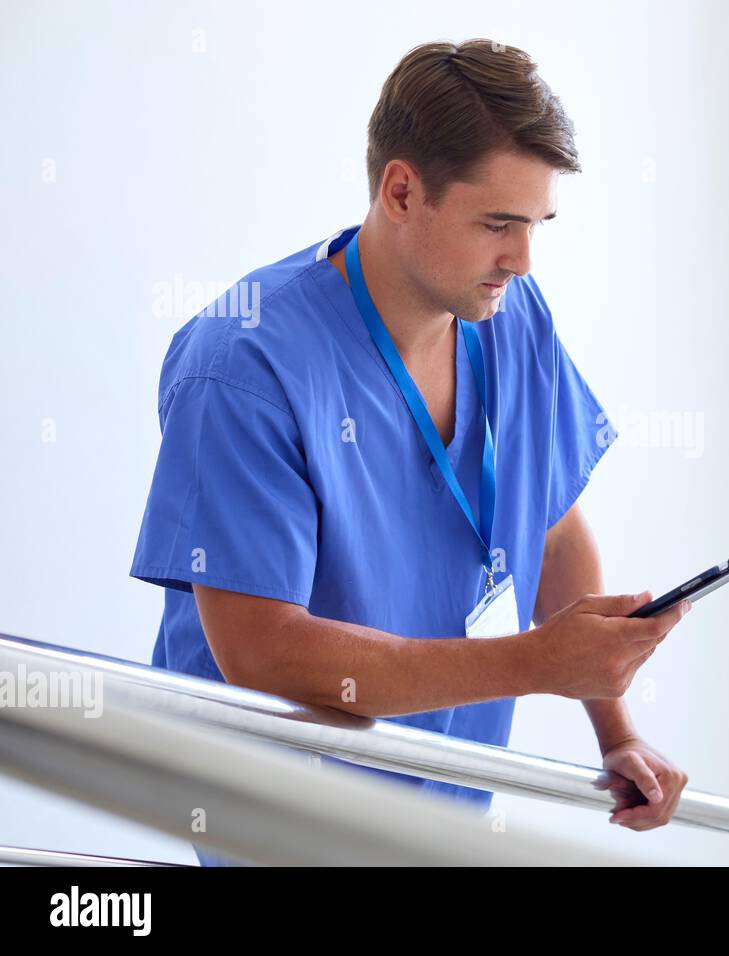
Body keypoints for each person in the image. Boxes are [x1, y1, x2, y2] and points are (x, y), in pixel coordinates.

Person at [129, 39, 691, 866]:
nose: (523, 259)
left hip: (440, 818)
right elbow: (261, 652)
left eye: (536, 225)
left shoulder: (511, 319)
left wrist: (615, 730)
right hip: (281, 829)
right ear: (401, 190)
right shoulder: (244, 364)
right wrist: (533, 663)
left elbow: (552, 528)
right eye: (498, 223)